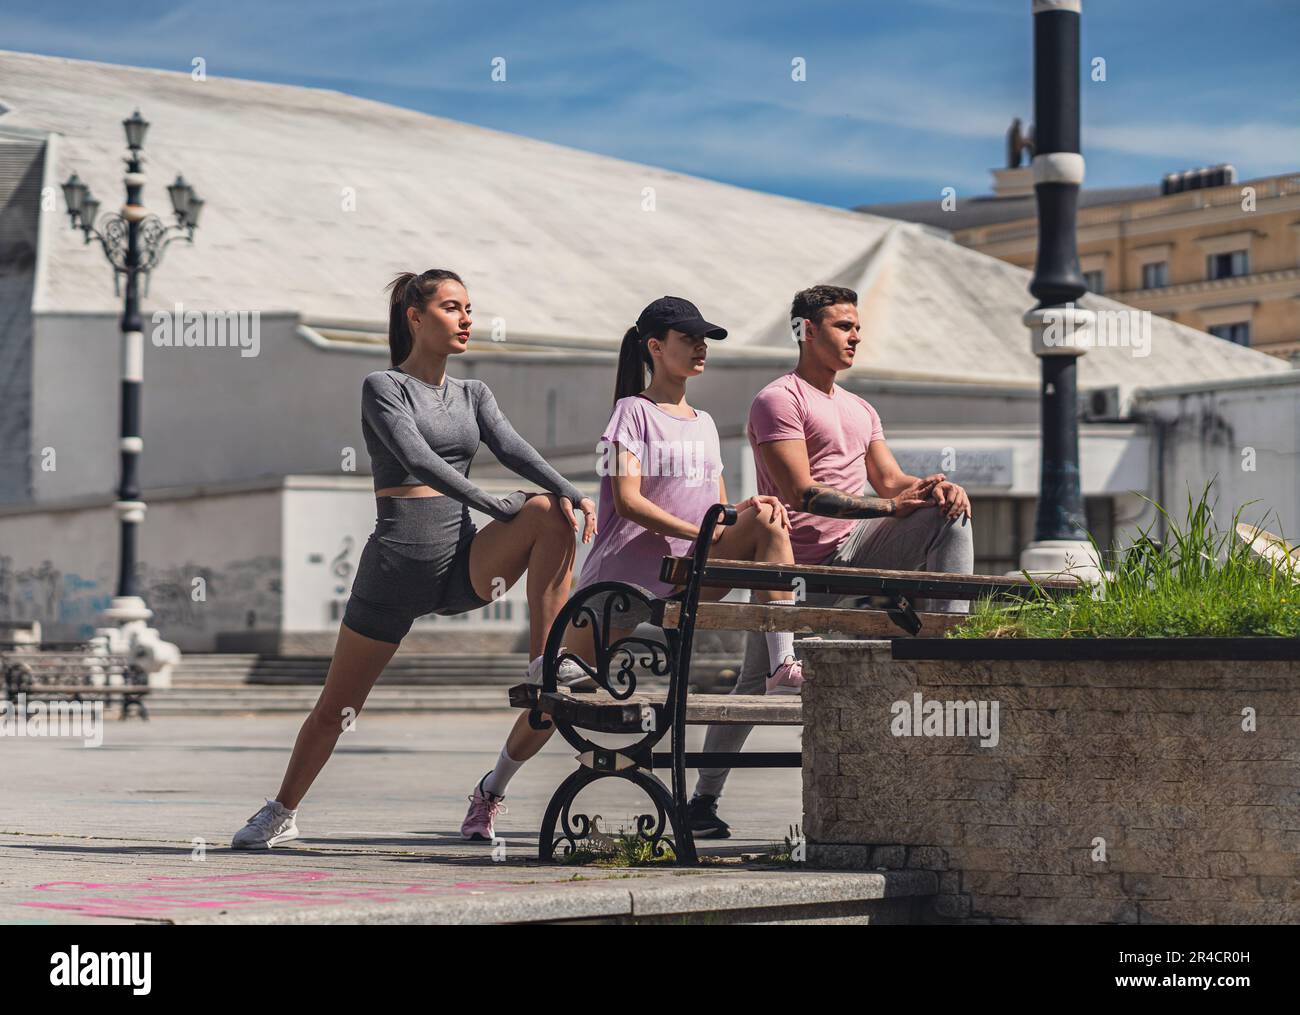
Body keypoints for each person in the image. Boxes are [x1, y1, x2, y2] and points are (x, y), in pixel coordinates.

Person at [231, 268, 596, 849]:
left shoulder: (474, 394)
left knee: (550, 511)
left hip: (462, 565)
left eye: (470, 308)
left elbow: (514, 448)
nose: (467, 318)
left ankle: (541, 667)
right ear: (416, 317)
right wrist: (489, 501)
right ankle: (281, 810)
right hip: (395, 572)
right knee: (336, 709)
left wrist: (572, 491)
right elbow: (417, 458)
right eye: (453, 307)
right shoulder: (384, 387)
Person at [460, 296, 802, 841]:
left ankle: (783, 666)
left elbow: (718, 503)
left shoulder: (708, 424)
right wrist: (705, 532)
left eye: (704, 339)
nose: (700, 347)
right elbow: (629, 498)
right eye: (689, 338)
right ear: (655, 346)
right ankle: (490, 791)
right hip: (616, 591)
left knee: (765, 517)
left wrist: (741, 516)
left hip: (684, 578)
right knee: (553, 704)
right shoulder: (631, 413)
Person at [688, 284, 975, 838]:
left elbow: (892, 482)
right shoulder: (779, 399)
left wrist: (933, 486)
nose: (855, 337)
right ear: (808, 331)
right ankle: (702, 802)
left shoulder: (860, 408)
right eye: (844, 327)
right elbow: (802, 493)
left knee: (950, 510)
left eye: (858, 328)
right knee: (750, 685)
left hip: (855, 547)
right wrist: (893, 504)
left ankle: (950, 639)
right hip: (788, 564)